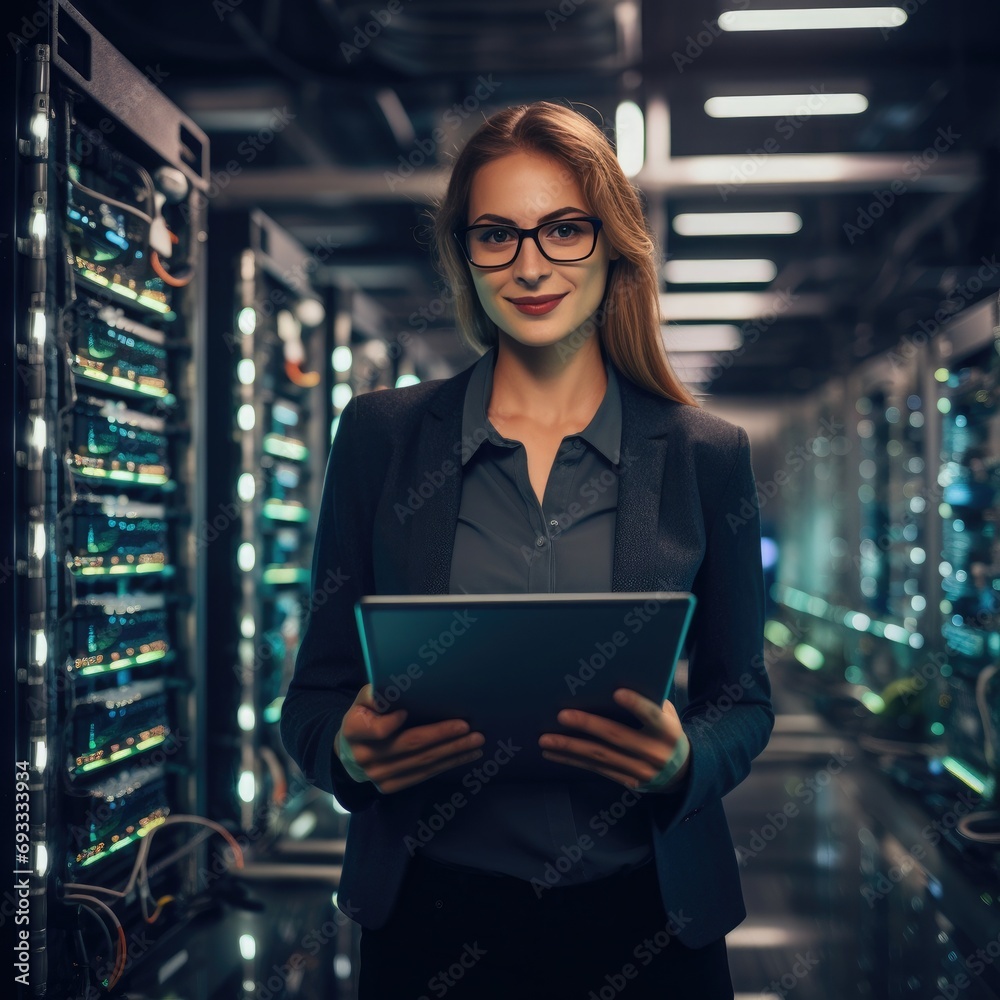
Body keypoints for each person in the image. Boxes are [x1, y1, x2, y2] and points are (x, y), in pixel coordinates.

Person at [279, 100, 773, 1000]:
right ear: (466, 254)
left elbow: (744, 702)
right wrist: (344, 752)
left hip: (651, 922)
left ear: (613, 242)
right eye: (497, 235)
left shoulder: (704, 455)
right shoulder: (384, 439)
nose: (531, 265)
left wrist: (686, 760)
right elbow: (311, 700)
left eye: (563, 230)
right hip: (433, 925)